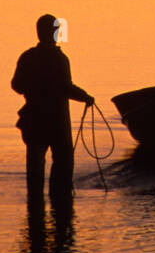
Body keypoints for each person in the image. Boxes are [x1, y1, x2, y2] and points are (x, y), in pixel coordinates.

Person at [11, 14, 94, 204]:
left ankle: (35, 205)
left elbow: (16, 85)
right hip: (57, 123)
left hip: (34, 121)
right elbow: (66, 87)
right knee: (63, 165)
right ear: (52, 33)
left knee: (35, 167)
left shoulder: (27, 57)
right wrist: (86, 97)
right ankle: (61, 204)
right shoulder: (59, 59)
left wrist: (32, 89)